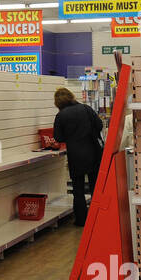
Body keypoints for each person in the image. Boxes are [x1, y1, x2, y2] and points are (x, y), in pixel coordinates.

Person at [53, 87, 103, 227]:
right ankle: (98, 217)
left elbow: (58, 137)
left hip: (76, 156)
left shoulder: (61, 116)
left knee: (78, 190)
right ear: (71, 96)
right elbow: (99, 125)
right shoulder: (86, 109)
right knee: (95, 188)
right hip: (93, 152)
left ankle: (81, 220)